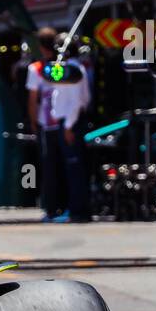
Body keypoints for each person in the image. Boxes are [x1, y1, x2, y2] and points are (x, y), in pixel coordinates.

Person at [27, 27, 66, 221]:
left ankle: (51, 208)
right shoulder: (61, 67)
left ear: (41, 47)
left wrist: (33, 122)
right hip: (63, 121)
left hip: (47, 124)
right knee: (63, 165)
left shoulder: (35, 69)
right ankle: (64, 205)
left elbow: (33, 99)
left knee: (49, 167)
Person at [48, 59, 91, 222]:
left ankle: (77, 211)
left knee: (75, 169)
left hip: (71, 123)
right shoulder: (63, 69)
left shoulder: (72, 70)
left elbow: (77, 101)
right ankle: (73, 209)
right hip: (66, 122)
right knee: (70, 168)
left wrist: (68, 126)